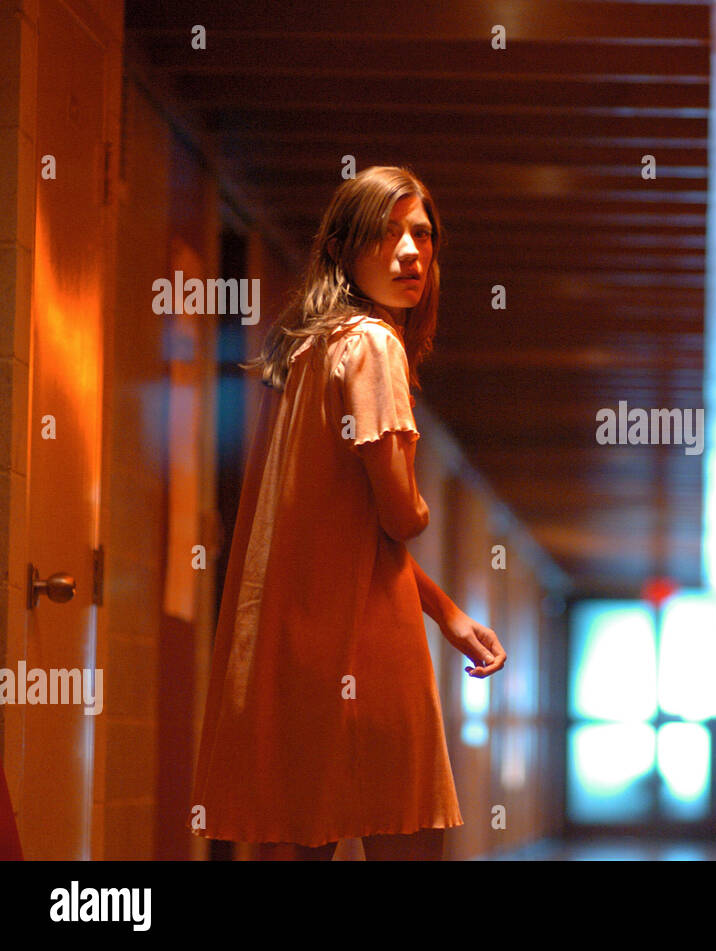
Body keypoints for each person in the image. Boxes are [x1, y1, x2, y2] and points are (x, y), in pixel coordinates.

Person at [191, 165, 505, 861]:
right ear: (342, 248)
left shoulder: (307, 351)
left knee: (306, 839)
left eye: (421, 235)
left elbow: (349, 522)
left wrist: (448, 613)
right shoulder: (373, 344)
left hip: (303, 646)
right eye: (386, 234)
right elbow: (398, 517)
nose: (410, 252)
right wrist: (419, 507)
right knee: (408, 836)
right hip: (368, 647)